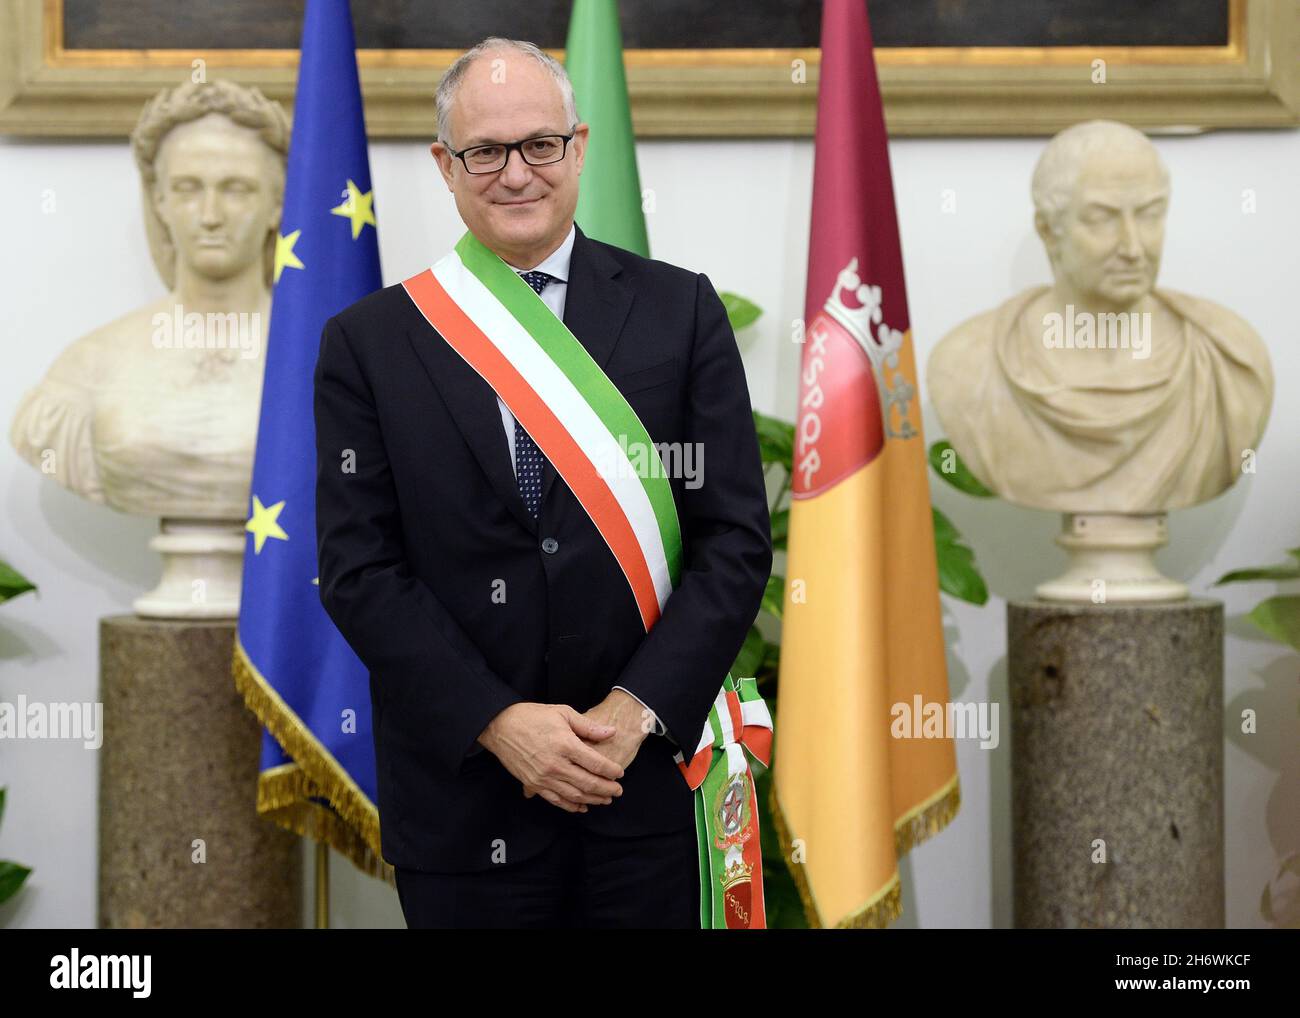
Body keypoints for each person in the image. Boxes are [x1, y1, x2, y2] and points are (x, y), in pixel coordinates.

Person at [313, 37, 772, 928]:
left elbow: (734, 541)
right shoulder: (369, 341)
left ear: (580, 147)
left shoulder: (679, 312)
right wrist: (498, 721)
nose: (515, 173)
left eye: (539, 145)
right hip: (465, 806)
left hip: (642, 792)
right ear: (445, 166)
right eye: (484, 152)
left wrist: (635, 712)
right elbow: (359, 570)